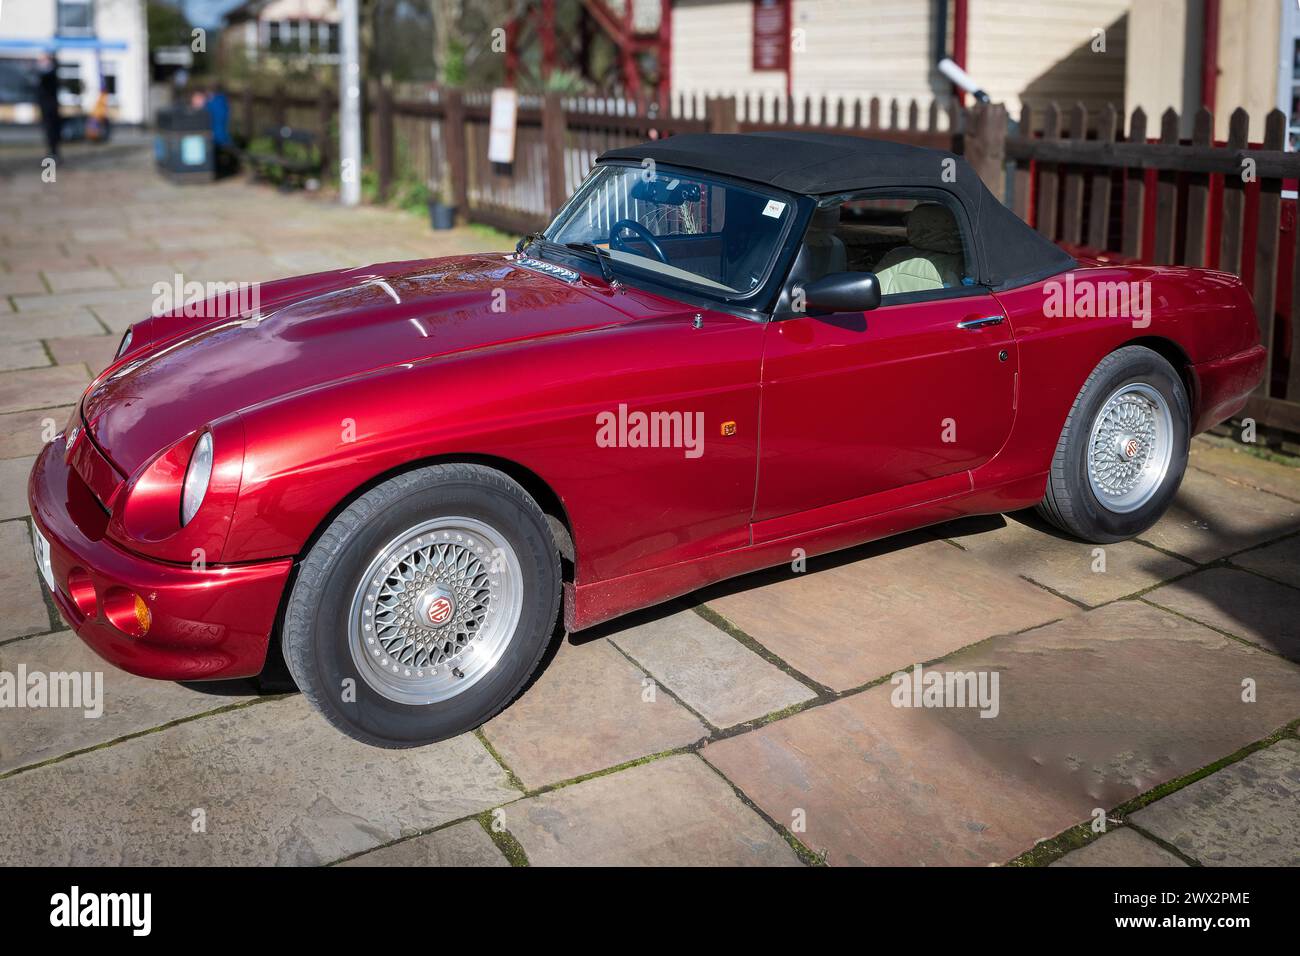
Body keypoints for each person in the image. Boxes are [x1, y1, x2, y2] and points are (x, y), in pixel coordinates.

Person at [35, 53, 61, 161]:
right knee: (49, 131)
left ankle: (53, 153)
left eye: (42, 60)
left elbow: (44, 73)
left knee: (51, 131)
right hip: (47, 107)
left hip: (50, 107)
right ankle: (52, 152)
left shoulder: (49, 73)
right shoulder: (48, 72)